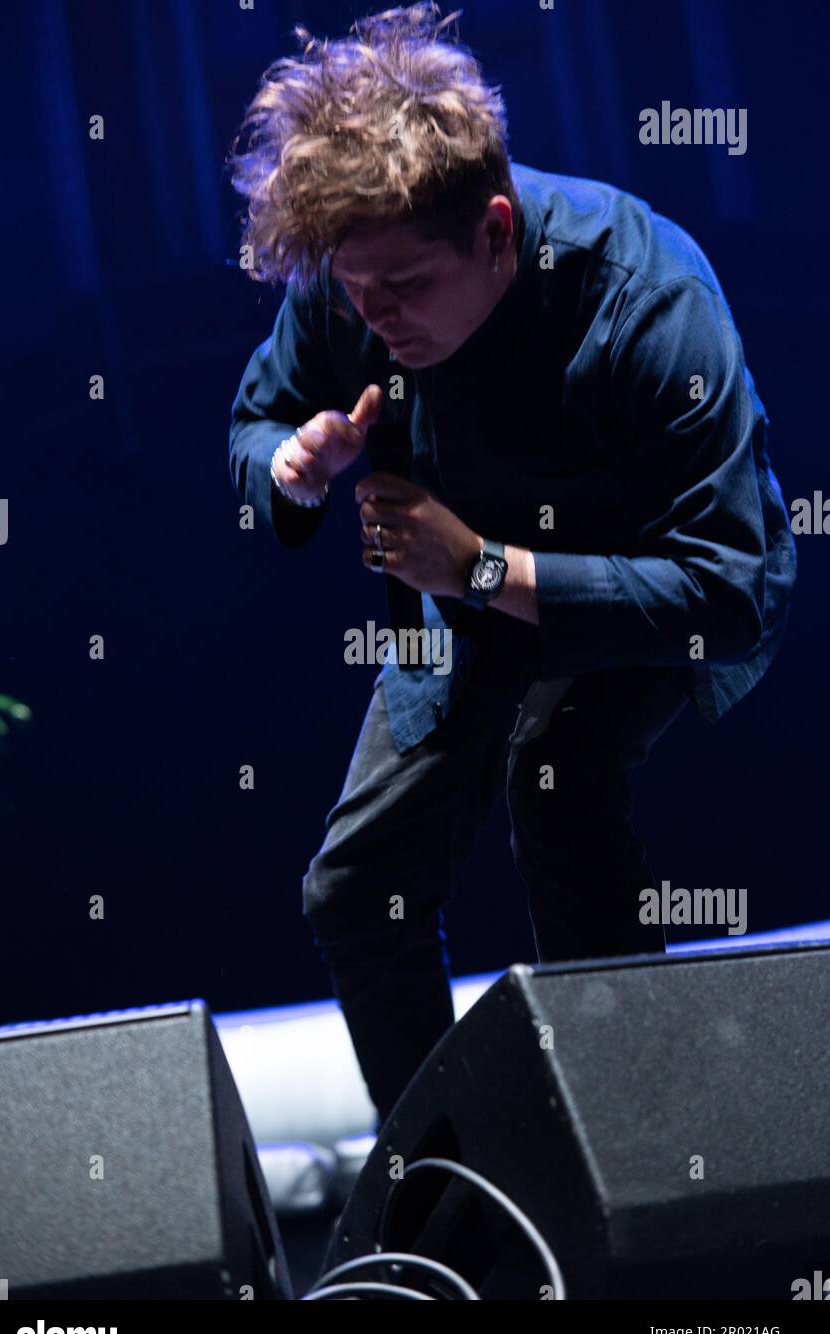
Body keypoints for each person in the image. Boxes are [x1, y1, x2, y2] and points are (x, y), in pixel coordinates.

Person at [226, 4, 796, 1127]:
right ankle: (453, 1186)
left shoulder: (652, 296)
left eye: (400, 292)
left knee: (562, 785)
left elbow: (728, 591)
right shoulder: (359, 267)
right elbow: (255, 425)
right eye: (352, 292)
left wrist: (487, 568)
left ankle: (643, 1149)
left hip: (637, 584)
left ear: (494, 231)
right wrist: (292, 467)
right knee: (355, 887)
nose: (371, 321)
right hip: (458, 593)